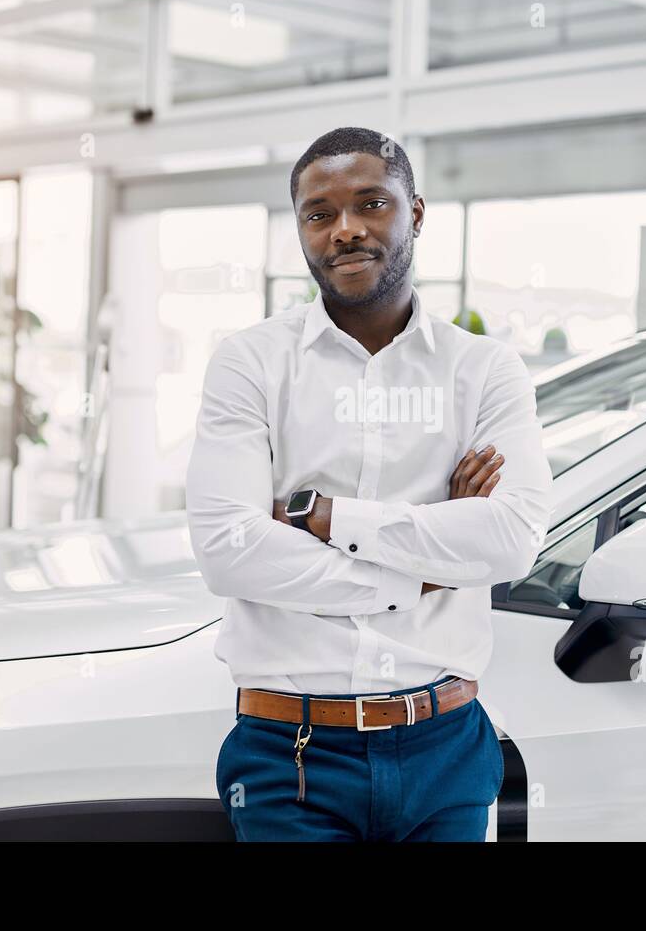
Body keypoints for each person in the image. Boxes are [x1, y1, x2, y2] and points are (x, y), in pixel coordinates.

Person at [186, 126, 553, 841]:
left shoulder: (482, 371)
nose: (345, 230)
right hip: (289, 757)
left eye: (370, 204)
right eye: (319, 215)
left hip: (444, 747)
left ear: (415, 212)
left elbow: (509, 542)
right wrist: (427, 564)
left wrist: (323, 515)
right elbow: (228, 550)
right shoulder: (249, 364)